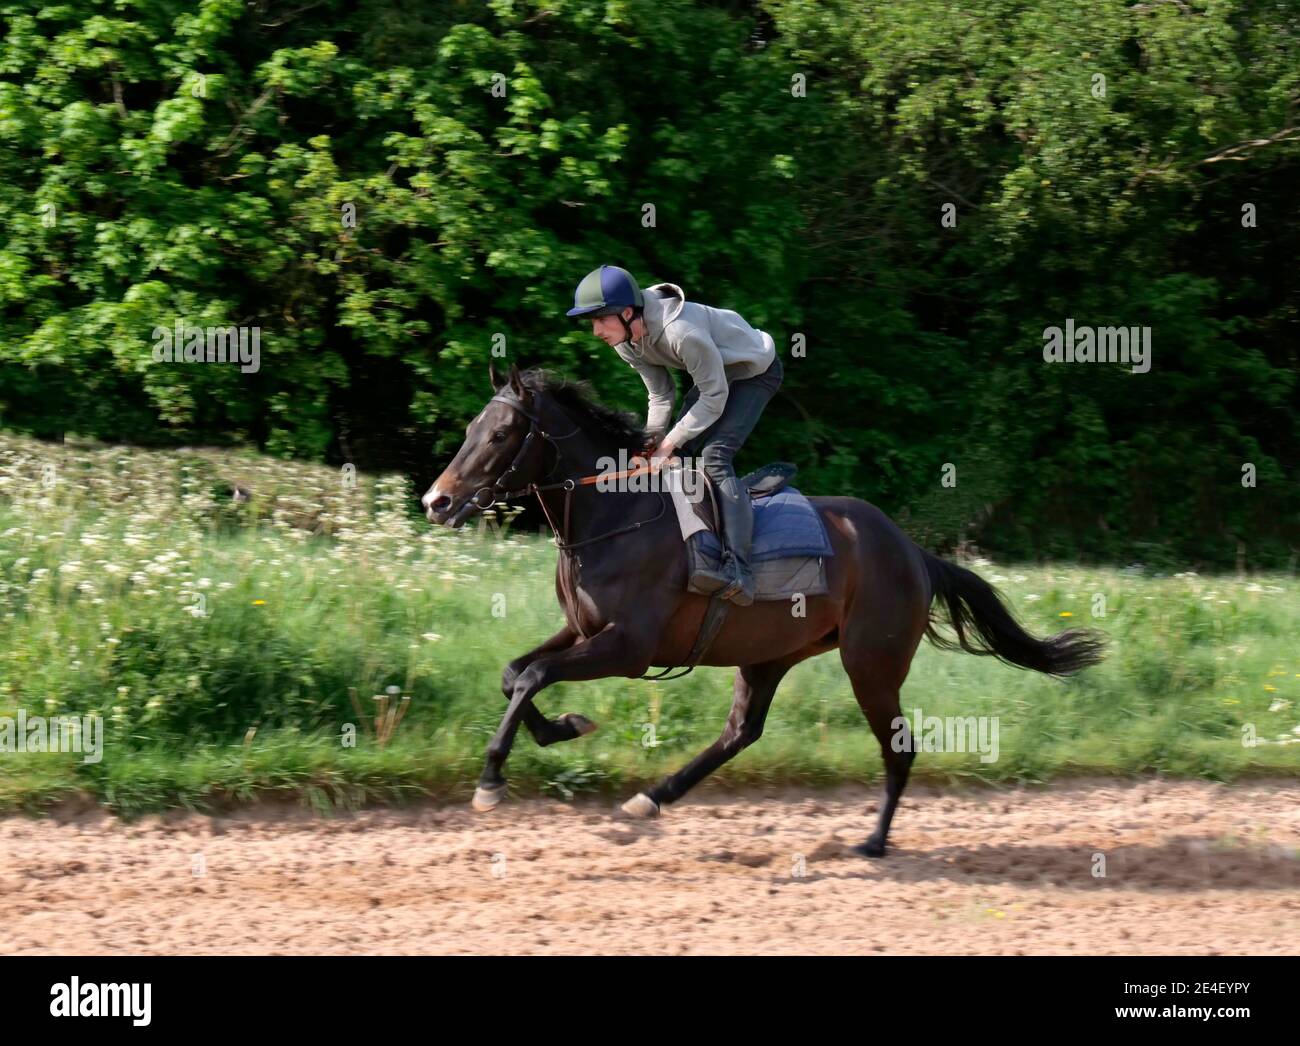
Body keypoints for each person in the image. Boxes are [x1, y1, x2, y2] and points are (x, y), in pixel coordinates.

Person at [567, 264, 783, 606]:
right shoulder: (625, 341)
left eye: (600, 319)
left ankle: (739, 571)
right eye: (590, 322)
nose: (595, 331)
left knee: (714, 456)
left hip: (754, 372)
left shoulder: (683, 333)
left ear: (626, 313)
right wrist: (652, 441)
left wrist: (669, 442)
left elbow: (715, 397)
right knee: (671, 457)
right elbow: (661, 394)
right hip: (715, 377)